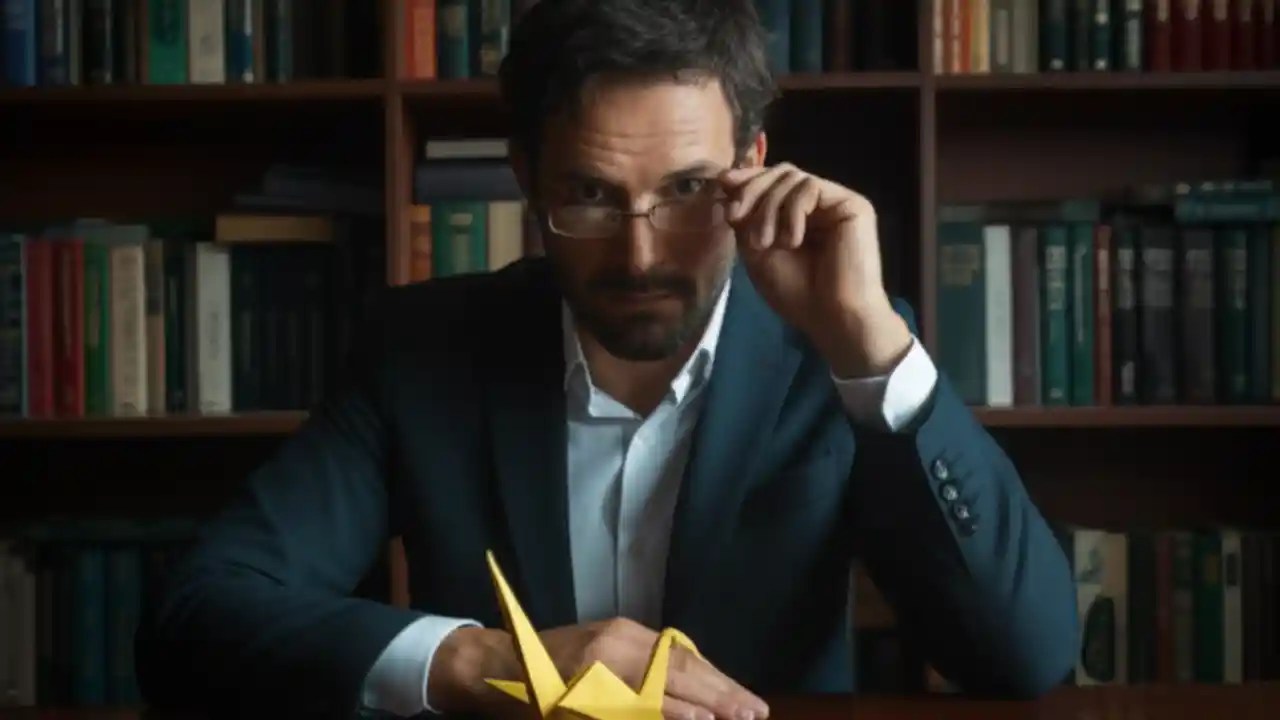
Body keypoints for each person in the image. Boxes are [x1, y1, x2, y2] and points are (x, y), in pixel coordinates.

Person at [134, 1, 1079, 718]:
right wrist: (488, 662)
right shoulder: (420, 351)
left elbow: (1025, 657)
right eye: (589, 194)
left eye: (689, 190)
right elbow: (196, 619)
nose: (640, 255)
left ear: (753, 163)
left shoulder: (836, 347)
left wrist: (872, 347)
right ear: (524, 178)